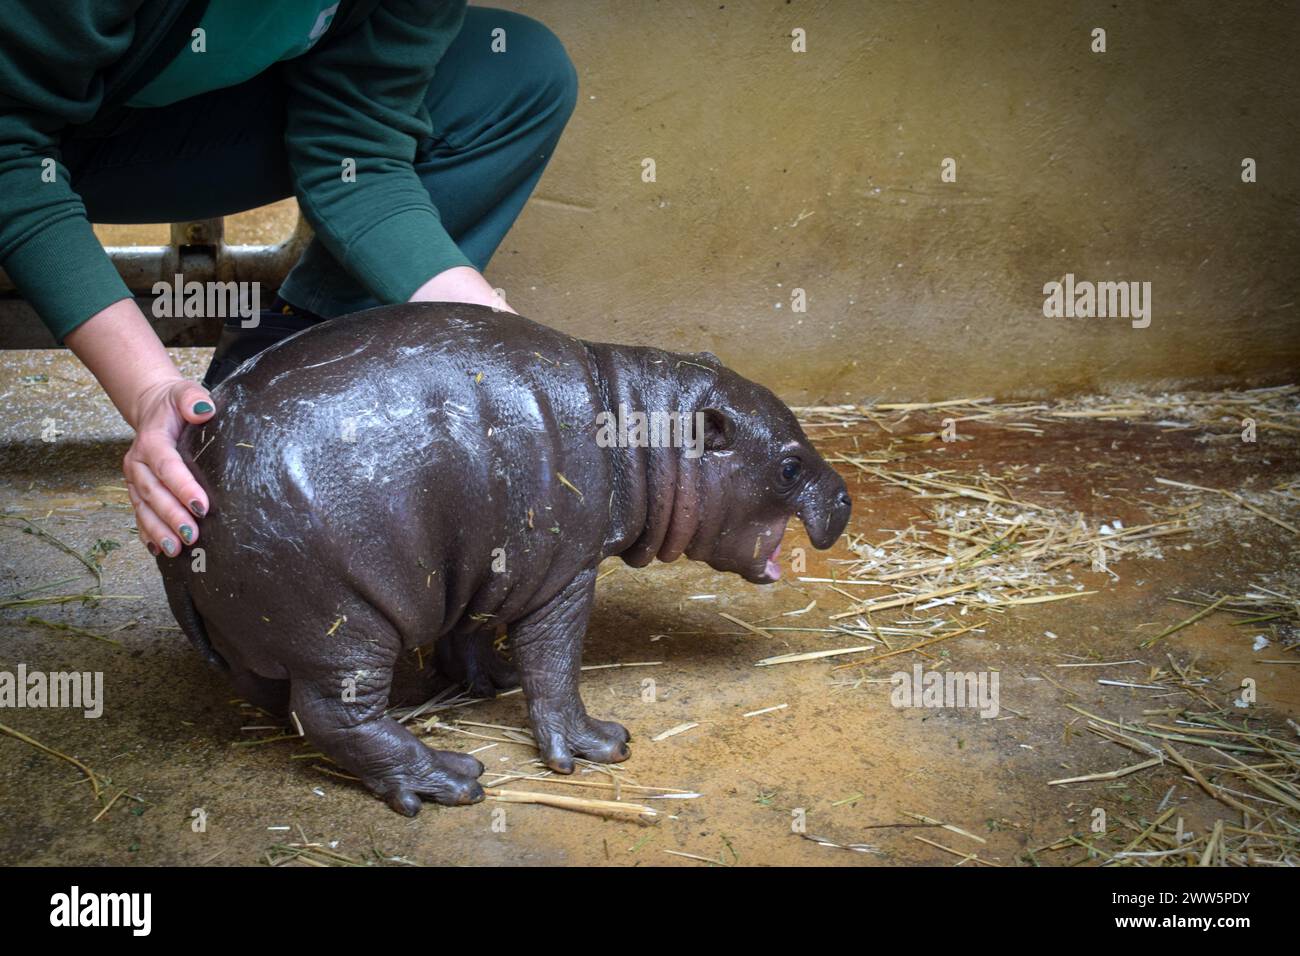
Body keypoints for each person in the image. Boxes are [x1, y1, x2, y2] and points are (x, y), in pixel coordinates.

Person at [0, 0, 577, 559]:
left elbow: (357, 154)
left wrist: (503, 344)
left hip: (154, 128)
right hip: (34, 133)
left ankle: (275, 381)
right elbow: (10, 155)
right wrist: (150, 391)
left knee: (514, 68)